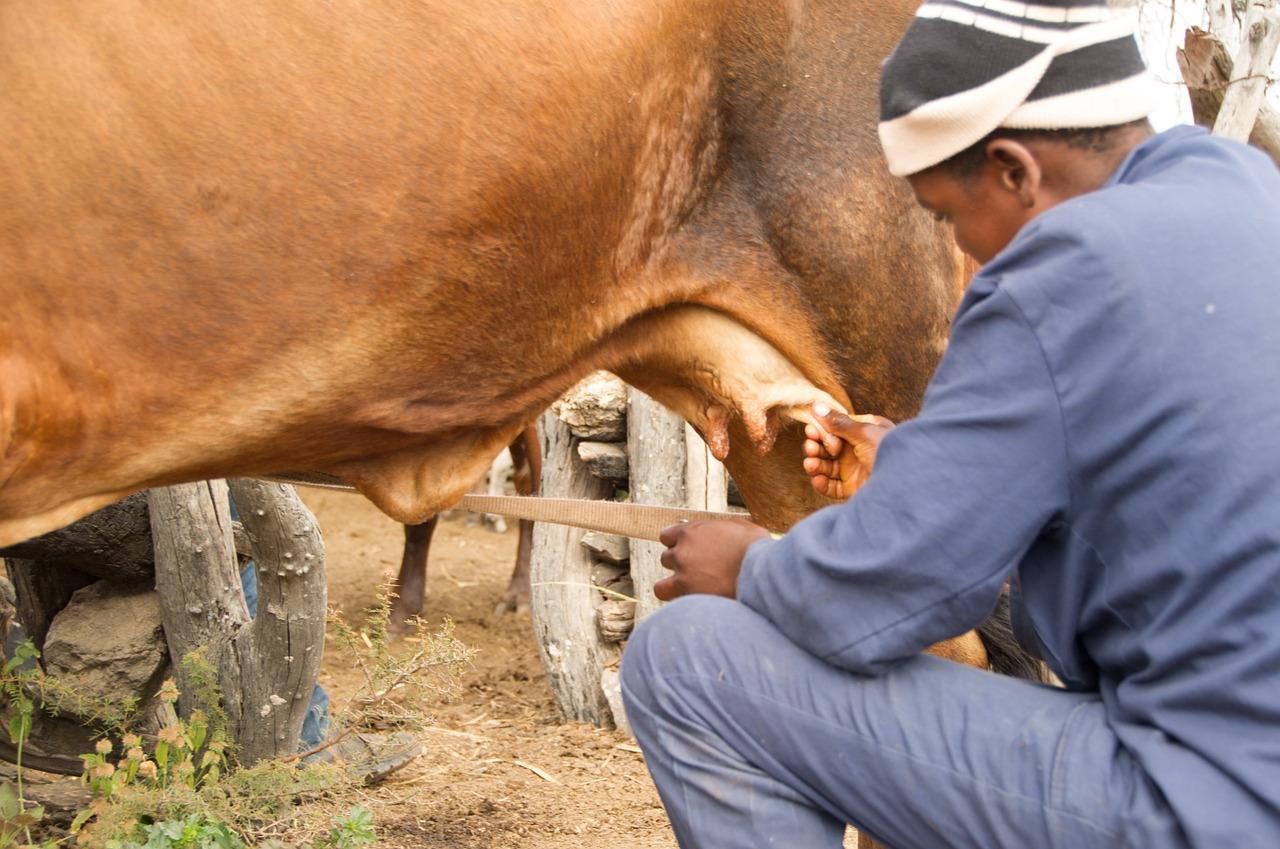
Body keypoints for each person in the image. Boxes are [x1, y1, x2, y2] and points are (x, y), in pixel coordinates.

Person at [619, 2, 1280, 847]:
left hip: (1201, 802)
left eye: (945, 215)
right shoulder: (1244, 194)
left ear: (1012, 171)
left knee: (690, 663)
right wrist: (922, 469)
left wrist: (751, 564)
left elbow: (890, 598)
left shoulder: (1057, 275)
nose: (962, 249)